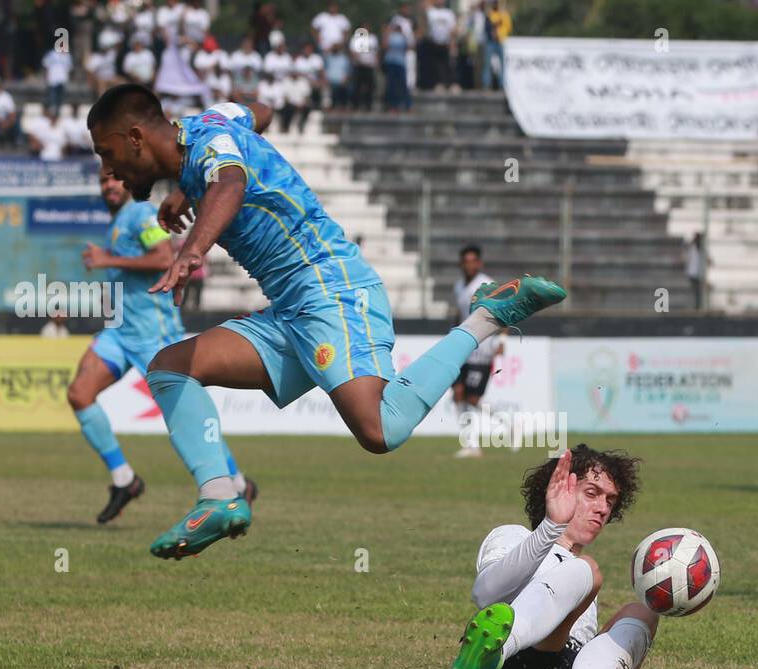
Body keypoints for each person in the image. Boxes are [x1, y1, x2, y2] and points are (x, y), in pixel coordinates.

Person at [86, 85, 566, 558]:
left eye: (107, 154)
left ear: (135, 137)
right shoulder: (215, 122)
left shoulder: (212, 146)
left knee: (380, 429)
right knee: (171, 368)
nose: (108, 170)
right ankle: (218, 497)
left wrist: (191, 250)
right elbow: (263, 110)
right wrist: (190, 190)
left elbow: (230, 183)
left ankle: (487, 315)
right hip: (290, 308)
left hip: (330, 289)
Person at [445, 448, 718, 669]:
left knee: (642, 611)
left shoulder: (582, 577)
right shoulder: (514, 537)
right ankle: (492, 651)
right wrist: (550, 527)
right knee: (587, 569)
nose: (602, 508)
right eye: (592, 493)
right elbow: (485, 594)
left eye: (610, 501)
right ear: (558, 488)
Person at [69, 169, 255, 525]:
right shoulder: (120, 222)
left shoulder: (141, 214)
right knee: (80, 392)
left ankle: (237, 483)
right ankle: (125, 480)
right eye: (103, 180)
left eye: (115, 178)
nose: (109, 184)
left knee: (185, 417)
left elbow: (162, 258)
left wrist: (108, 259)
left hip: (154, 335)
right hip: (120, 333)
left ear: (128, 180)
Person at [450, 244, 497, 459]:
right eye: (465, 261)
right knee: (458, 394)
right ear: (461, 264)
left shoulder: (486, 285)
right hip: (462, 347)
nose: (469, 265)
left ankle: (509, 421)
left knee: (473, 399)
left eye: (473, 261)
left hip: (482, 348)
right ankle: (470, 443)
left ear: (479, 263)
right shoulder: (459, 286)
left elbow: (503, 311)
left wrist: (503, 338)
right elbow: (459, 316)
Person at [420, 0, 456, 91]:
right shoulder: (431, 11)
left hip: (445, 43)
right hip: (433, 42)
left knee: (447, 64)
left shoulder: (449, 13)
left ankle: (448, 84)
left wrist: (452, 43)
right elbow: (423, 4)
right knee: (434, 65)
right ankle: (437, 84)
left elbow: (452, 30)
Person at [382, 20, 412, 113]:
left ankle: (407, 105)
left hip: (400, 62)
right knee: (391, 85)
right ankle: (392, 106)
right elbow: (385, 46)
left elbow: (408, 47)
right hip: (390, 62)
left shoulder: (402, 37)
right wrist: (386, 33)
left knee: (403, 85)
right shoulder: (389, 36)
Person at [349, 23, 379, 111]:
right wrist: (359, 60)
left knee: (370, 87)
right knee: (357, 86)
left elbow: (376, 52)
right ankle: (355, 105)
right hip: (359, 66)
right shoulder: (355, 38)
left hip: (369, 66)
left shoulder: (373, 38)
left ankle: (368, 105)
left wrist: (376, 63)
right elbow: (352, 51)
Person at [484, 0, 510, 91]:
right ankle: (487, 85)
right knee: (487, 65)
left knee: (502, 65)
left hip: (501, 42)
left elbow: (508, 27)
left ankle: (502, 85)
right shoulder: (489, 14)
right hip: (491, 42)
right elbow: (487, 27)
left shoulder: (504, 14)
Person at [42, 43, 74, 113]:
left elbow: (69, 68)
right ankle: (52, 109)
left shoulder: (67, 56)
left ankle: (59, 109)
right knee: (52, 94)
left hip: (62, 78)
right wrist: (46, 76)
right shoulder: (51, 54)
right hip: (53, 77)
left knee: (60, 95)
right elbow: (46, 65)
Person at [685, 232, 709, 309]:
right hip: (693, 273)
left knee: (698, 292)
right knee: (696, 292)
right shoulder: (693, 249)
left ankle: (698, 306)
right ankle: (696, 306)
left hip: (698, 274)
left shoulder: (701, 249)